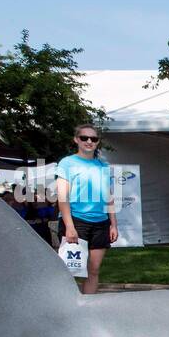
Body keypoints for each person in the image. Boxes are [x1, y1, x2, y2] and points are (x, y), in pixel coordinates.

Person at [56, 123, 118, 296]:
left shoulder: (103, 166)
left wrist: (113, 224)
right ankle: (66, 310)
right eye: (84, 138)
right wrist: (69, 226)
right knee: (71, 273)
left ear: (98, 142)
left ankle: (87, 309)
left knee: (93, 271)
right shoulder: (67, 163)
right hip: (76, 221)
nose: (89, 141)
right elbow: (63, 197)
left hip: (100, 223)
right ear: (76, 139)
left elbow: (109, 197)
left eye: (94, 138)